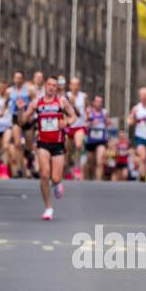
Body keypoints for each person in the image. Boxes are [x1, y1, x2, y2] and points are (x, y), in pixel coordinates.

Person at [21, 75, 76, 221]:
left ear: (56, 88)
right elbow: (23, 120)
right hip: (42, 143)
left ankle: (58, 184)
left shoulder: (62, 101)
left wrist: (66, 122)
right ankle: (48, 207)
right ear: (45, 86)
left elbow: (73, 117)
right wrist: (21, 109)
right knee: (44, 174)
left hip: (58, 143)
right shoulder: (36, 102)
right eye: (49, 84)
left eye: (54, 85)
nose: (51, 87)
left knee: (56, 178)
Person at [63, 77, 89, 178]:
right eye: (73, 85)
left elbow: (86, 109)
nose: (75, 87)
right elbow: (63, 111)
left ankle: (77, 167)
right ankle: (67, 168)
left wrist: (88, 118)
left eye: (77, 84)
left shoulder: (84, 96)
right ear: (70, 86)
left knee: (78, 146)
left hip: (79, 125)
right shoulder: (66, 96)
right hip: (69, 125)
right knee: (67, 150)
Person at [84, 95, 109, 181]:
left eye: (100, 102)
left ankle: (98, 181)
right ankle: (87, 178)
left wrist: (106, 122)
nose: (99, 103)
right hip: (91, 140)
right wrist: (91, 123)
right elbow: (84, 124)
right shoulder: (89, 111)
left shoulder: (104, 112)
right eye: (97, 101)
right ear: (93, 102)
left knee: (100, 161)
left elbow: (108, 124)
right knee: (90, 162)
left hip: (101, 139)